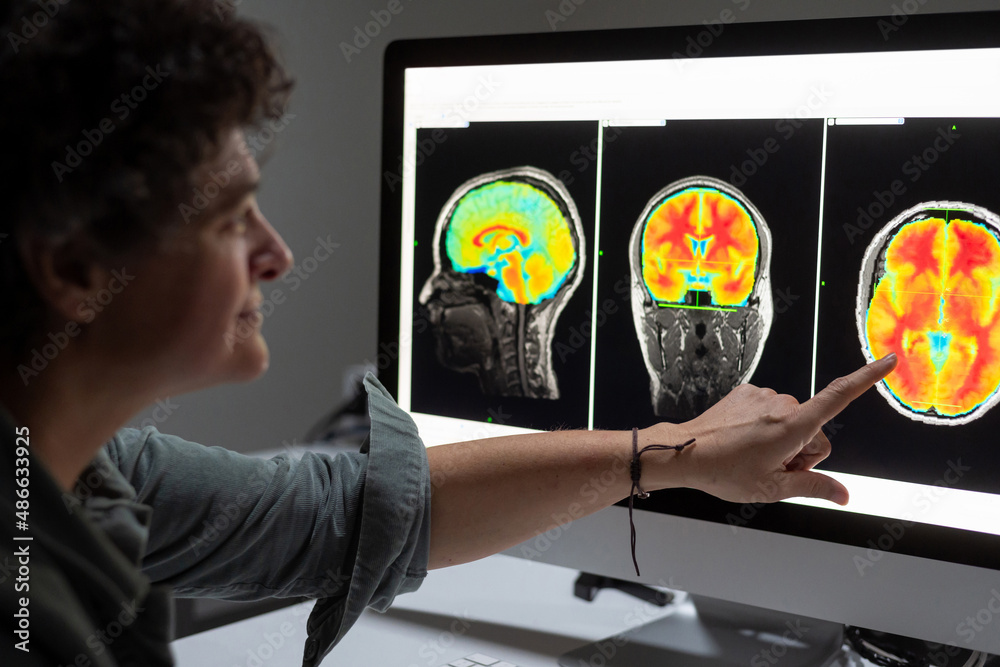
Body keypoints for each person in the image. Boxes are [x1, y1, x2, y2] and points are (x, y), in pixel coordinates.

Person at [0, 1, 897, 665]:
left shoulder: (87, 469)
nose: (276, 254)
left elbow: (354, 512)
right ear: (76, 272)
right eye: (230, 218)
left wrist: (670, 451)